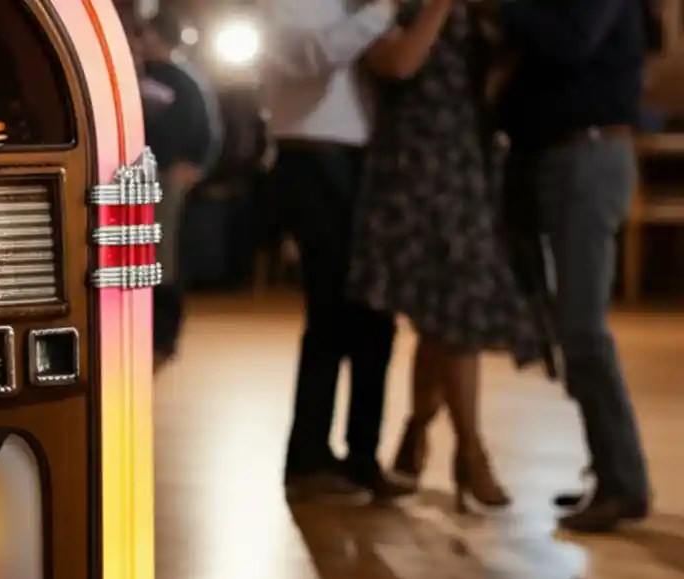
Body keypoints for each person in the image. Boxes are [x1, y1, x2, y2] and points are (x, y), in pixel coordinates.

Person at [347, 0, 544, 512]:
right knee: (447, 312)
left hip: (466, 162)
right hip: (412, 167)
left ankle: (421, 433)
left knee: (452, 311)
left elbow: (497, 77)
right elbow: (398, 63)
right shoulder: (381, 6)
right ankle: (469, 451)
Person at [496, 0, 653, 533]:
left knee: (581, 329)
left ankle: (623, 482)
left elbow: (571, 40)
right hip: (552, 157)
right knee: (558, 325)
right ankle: (608, 466)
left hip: (585, 157)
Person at [263, 0, 409, 500]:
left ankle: (363, 456)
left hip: (368, 158)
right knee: (330, 310)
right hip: (312, 155)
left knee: (374, 310)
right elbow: (312, 57)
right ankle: (308, 460)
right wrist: (380, 11)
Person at [127, 9, 222, 371]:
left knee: (162, 263)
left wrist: (194, 168)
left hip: (164, 180)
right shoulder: (138, 76)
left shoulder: (185, 80)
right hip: (134, 178)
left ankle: (163, 338)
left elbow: (208, 131)